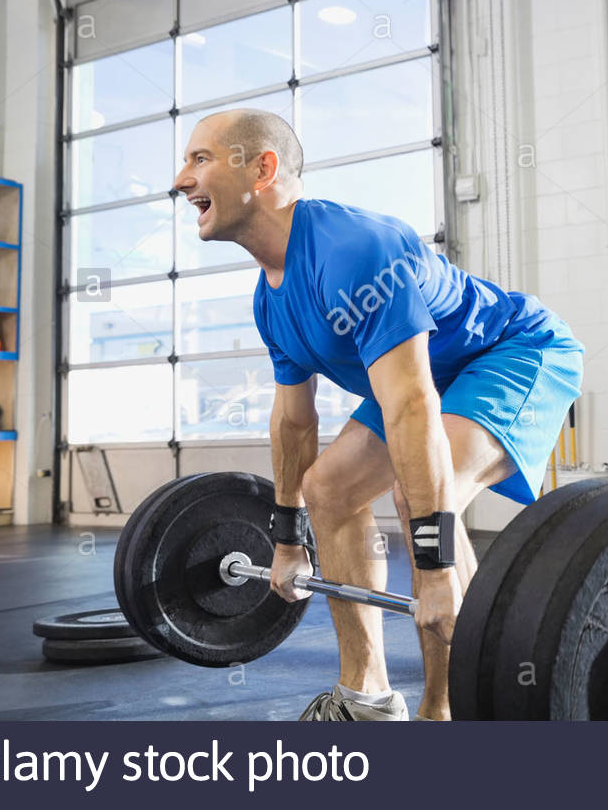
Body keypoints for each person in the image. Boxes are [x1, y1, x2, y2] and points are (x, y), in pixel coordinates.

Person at [172, 109, 584, 721]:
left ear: (262, 169)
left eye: (199, 159)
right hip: (422, 374)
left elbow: (413, 405)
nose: (181, 179)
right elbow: (294, 424)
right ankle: (366, 698)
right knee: (328, 488)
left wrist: (438, 568)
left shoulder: (355, 249)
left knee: (418, 501)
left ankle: (447, 713)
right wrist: (287, 541)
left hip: (513, 352)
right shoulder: (271, 298)